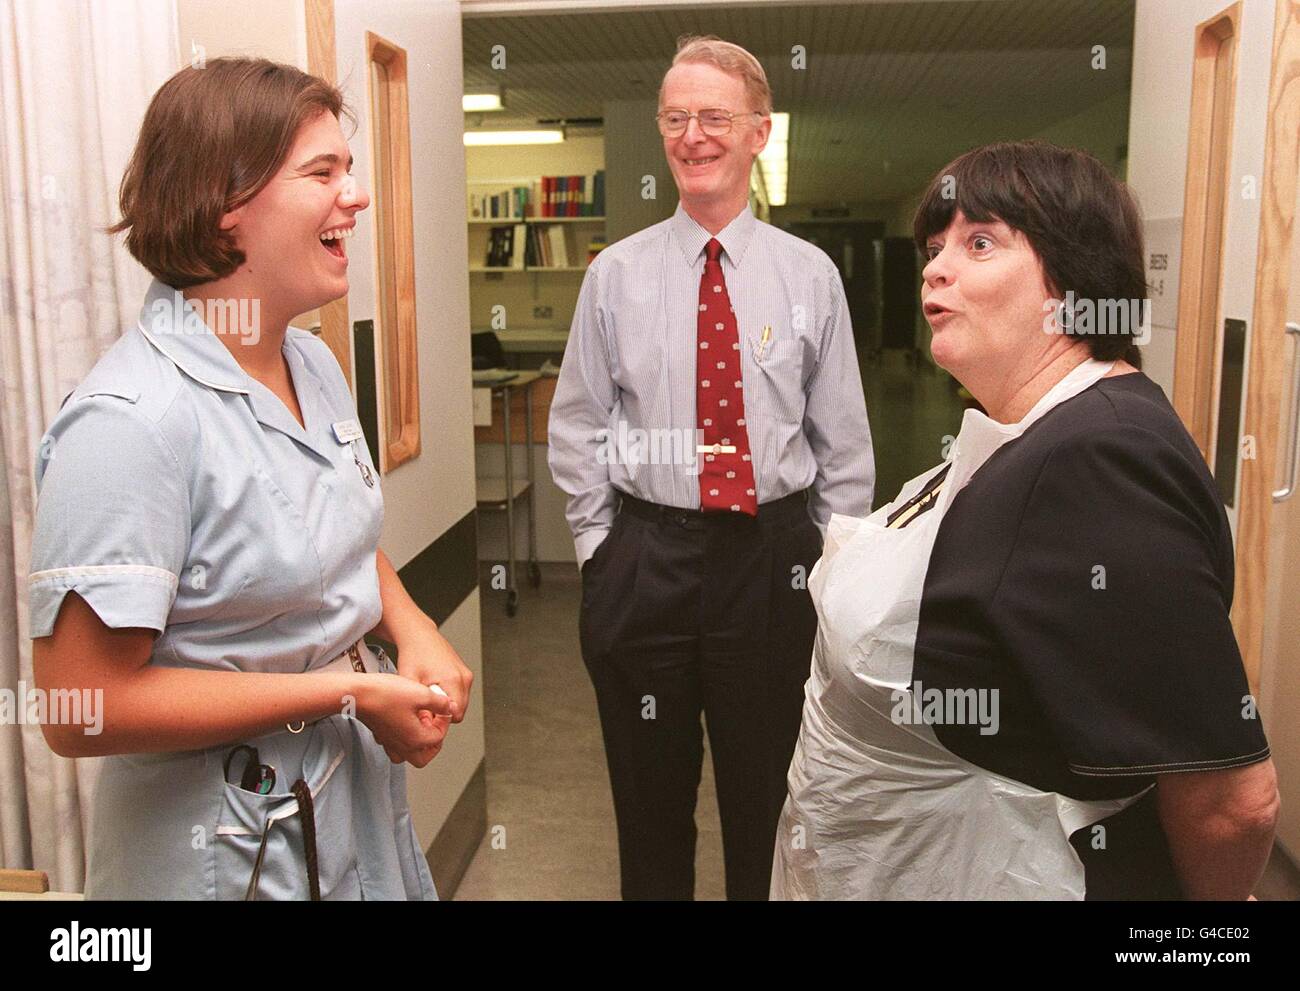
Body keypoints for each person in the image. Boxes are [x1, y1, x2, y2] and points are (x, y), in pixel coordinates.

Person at [772, 140, 1279, 900]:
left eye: (980, 242)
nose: (935, 267)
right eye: (936, 246)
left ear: (1074, 277)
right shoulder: (1025, 426)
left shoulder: (1103, 457)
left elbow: (1234, 803)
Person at [29, 57, 473, 900]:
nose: (358, 195)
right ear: (227, 206)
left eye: (350, 169)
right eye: (323, 172)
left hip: (343, 816)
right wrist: (350, 688)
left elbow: (328, 533)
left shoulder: (312, 362)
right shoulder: (131, 420)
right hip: (218, 857)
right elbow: (78, 704)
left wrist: (412, 626)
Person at [549, 35, 874, 901]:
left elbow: (844, 448)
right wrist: (600, 553)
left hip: (771, 565)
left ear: (760, 131)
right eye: (676, 118)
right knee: (648, 805)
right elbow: (577, 424)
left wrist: (828, 575)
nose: (693, 136)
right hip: (645, 560)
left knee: (767, 803)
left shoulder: (810, 277)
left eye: (715, 117)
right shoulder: (614, 277)